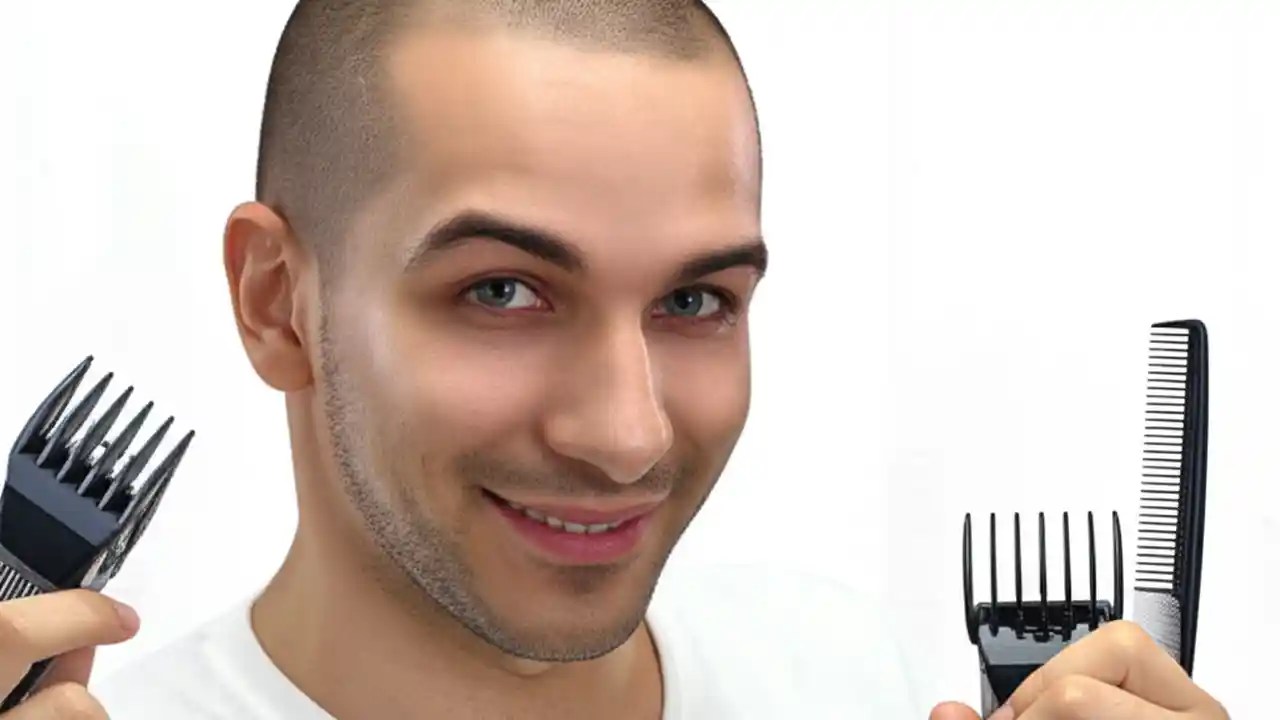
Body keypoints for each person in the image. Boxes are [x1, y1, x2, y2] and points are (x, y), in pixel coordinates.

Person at [0, 1, 1232, 718]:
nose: (627, 434)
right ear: (277, 302)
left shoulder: (855, 677)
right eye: (501, 291)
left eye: (695, 300)